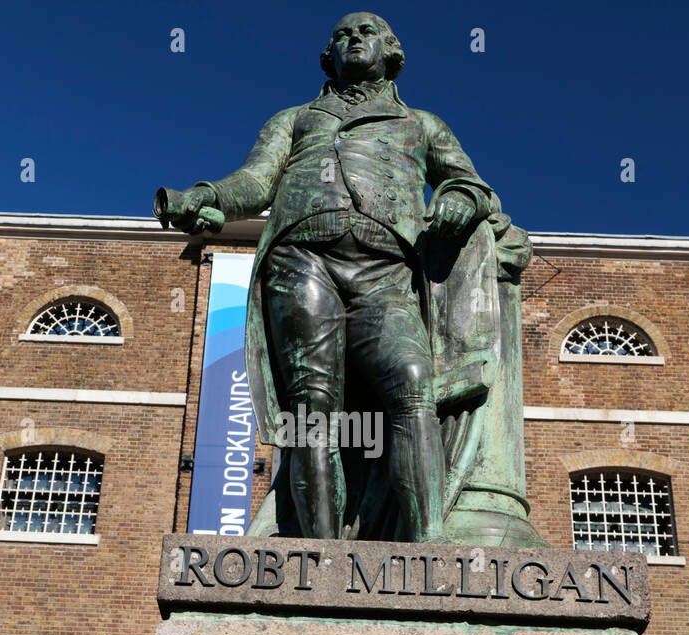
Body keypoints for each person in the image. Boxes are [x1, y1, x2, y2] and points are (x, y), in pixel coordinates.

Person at [157, 12, 505, 543]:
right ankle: (318, 555)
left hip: (386, 271)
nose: (353, 39)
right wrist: (205, 197)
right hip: (302, 260)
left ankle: (430, 543)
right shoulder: (295, 119)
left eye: (366, 32)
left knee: (413, 382)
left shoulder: (421, 124)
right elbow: (256, 181)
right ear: (328, 55)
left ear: (391, 49)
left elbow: (470, 184)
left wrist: (459, 199)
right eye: (342, 34)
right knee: (311, 406)